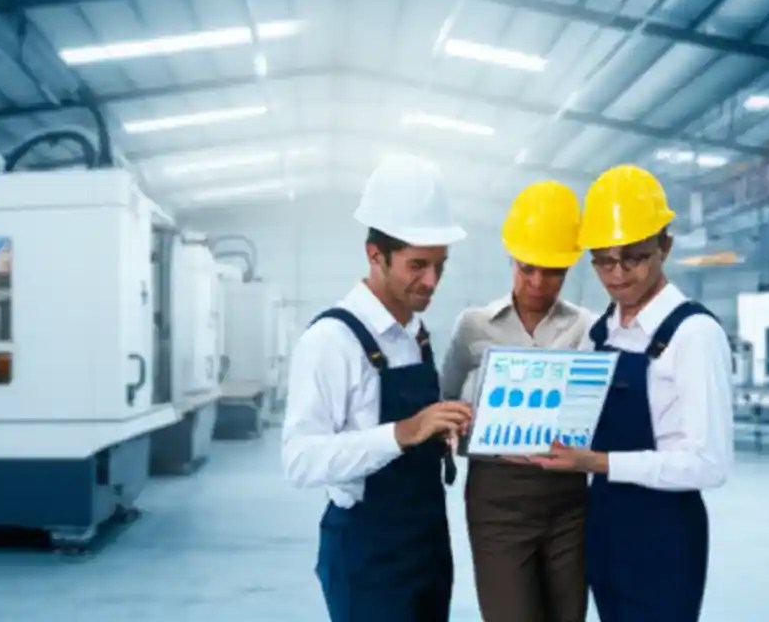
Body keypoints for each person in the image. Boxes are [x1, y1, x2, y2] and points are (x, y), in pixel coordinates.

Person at [521, 164, 733, 622]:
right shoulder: (602, 333)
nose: (616, 275)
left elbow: (710, 464)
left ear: (665, 246)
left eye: (633, 257)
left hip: (665, 532)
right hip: (603, 523)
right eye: (602, 260)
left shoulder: (692, 334)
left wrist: (597, 462)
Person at [281, 154, 474, 622]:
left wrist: (446, 430)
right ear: (375, 255)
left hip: (427, 543)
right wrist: (403, 431)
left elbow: (420, 433)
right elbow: (300, 459)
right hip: (368, 555)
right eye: (417, 264)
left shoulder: (416, 335)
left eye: (440, 266)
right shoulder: (331, 340)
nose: (431, 281)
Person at [439, 180, 595, 622]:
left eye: (552, 271)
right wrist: (456, 423)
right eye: (527, 268)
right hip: (498, 497)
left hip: (569, 499)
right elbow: (445, 398)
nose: (537, 282)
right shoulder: (473, 327)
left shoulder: (587, 328)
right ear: (511, 257)